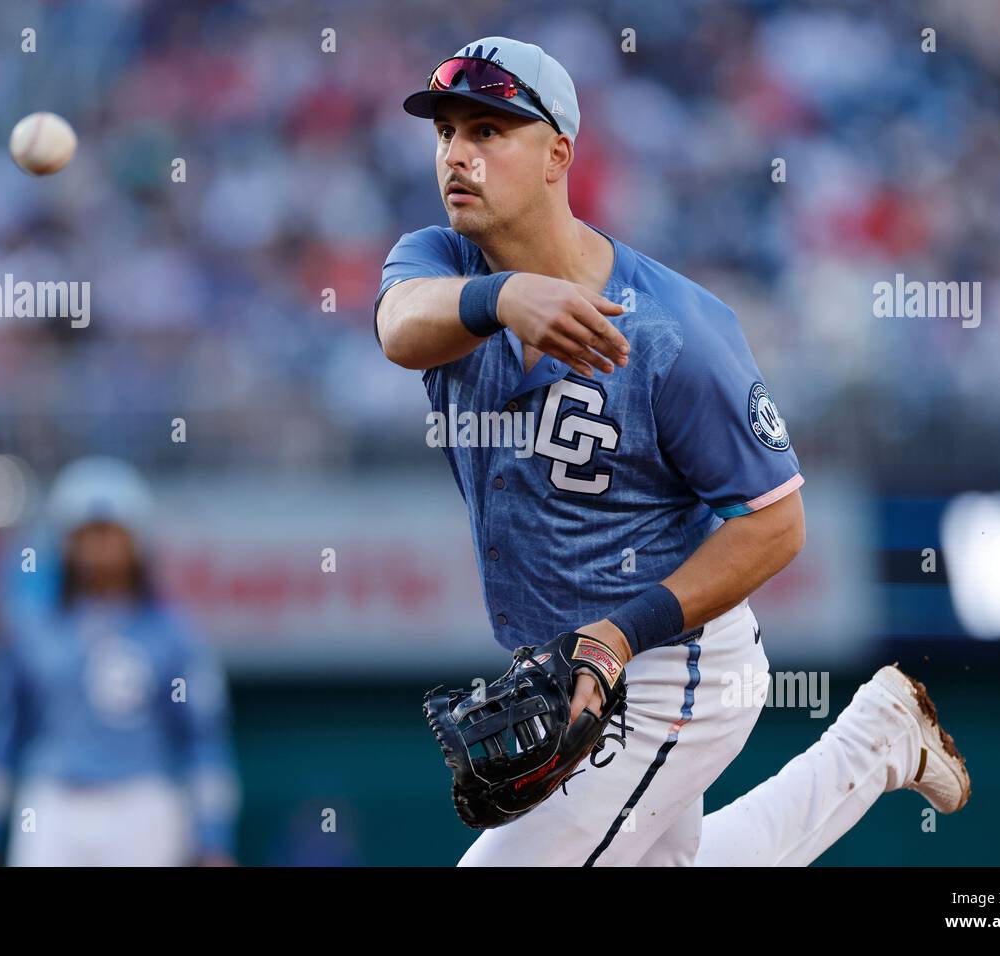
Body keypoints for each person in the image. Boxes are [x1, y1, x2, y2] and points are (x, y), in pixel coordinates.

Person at [375, 37, 969, 866]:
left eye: (488, 130)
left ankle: (874, 743)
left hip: (671, 661)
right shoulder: (440, 263)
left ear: (557, 155)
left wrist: (621, 635)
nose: (457, 156)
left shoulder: (671, 330)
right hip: (565, 659)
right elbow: (399, 329)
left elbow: (778, 524)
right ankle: (875, 742)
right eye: (446, 132)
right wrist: (506, 297)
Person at [0, 457, 239, 866]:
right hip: (52, 804)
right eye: (86, 533)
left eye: (110, 532)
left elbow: (202, 742)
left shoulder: (173, 635)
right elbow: (0, 737)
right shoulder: (32, 630)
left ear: (136, 539)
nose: (99, 548)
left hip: (143, 804)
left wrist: (213, 841)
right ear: (64, 540)